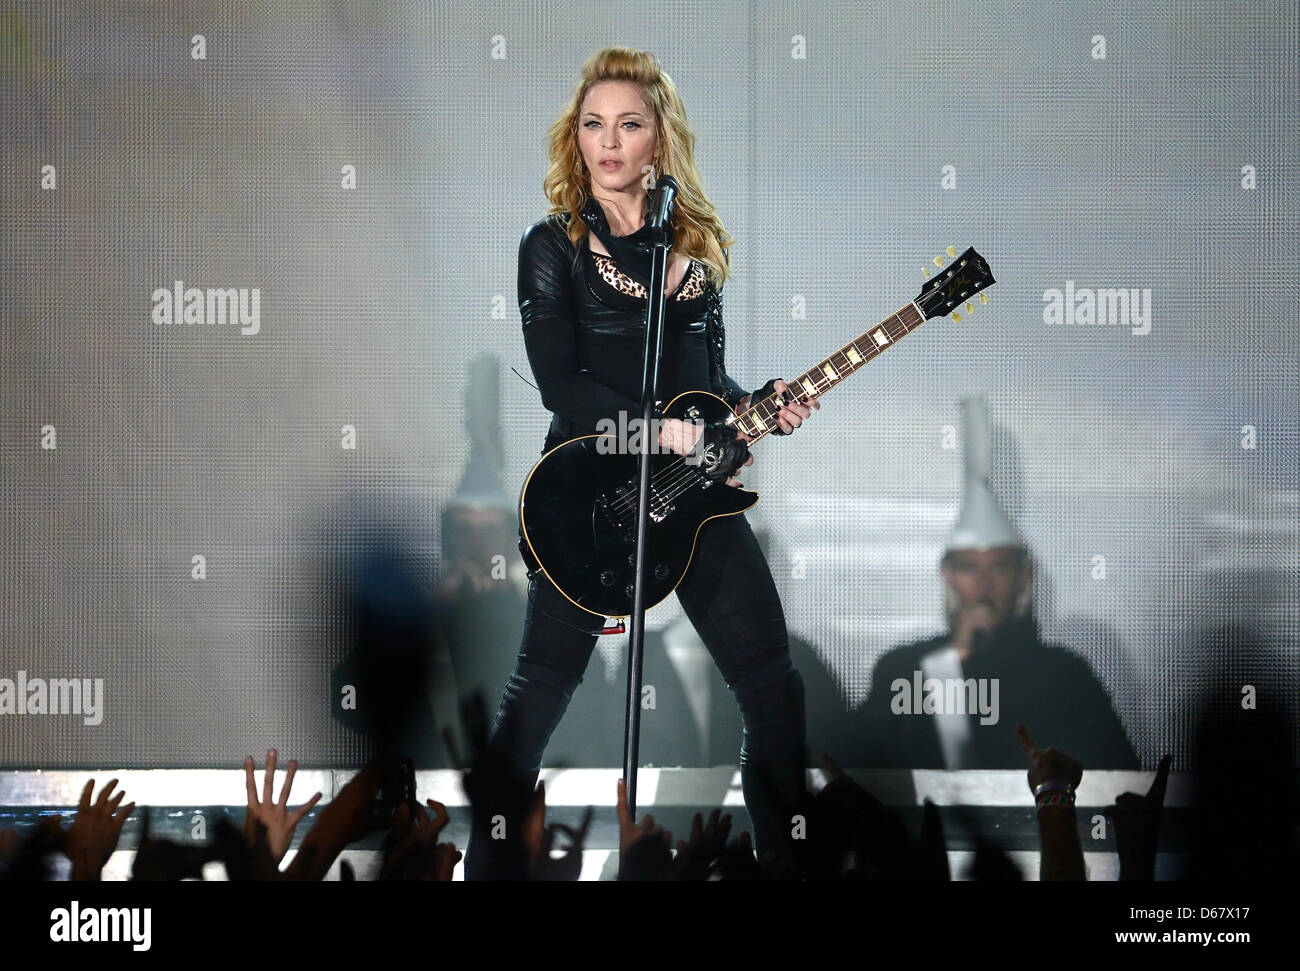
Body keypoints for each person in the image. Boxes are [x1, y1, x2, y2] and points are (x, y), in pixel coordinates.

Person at [464, 46, 820, 878]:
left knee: (773, 685)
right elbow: (563, 383)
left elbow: (707, 389)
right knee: (540, 690)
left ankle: (785, 862)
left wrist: (762, 406)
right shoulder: (551, 245)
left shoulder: (697, 252)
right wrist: (663, 433)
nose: (608, 141)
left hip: (688, 500)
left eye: (628, 124)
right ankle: (489, 871)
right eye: (593, 124)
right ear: (576, 139)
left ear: (659, 139)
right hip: (586, 499)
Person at [859, 397, 1139, 769]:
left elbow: (1112, 782)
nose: (985, 583)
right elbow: (863, 773)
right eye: (969, 567)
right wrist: (954, 660)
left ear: (1024, 576)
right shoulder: (903, 670)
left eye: (1000, 567)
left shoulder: (1064, 677)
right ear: (947, 575)